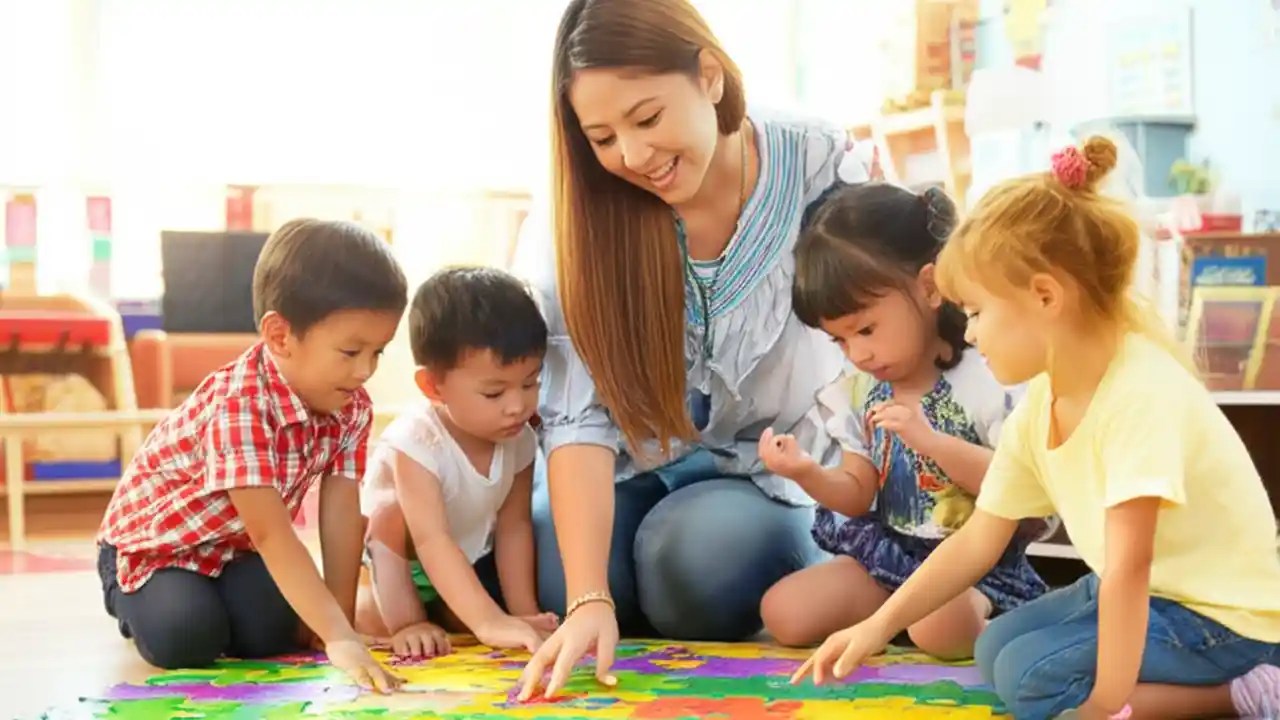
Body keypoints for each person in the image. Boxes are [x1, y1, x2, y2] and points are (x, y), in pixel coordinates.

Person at [792, 137, 1280, 720]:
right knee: (997, 648)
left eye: (976, 312)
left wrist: (1102, 705)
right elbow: (978, 539)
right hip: (1152, 594)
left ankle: (1245, 691)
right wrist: (876, 627)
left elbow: (1130, 567)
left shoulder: (1140, 395)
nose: (969, 334)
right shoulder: (1045, 397)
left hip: (1223, 616)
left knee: (1033, 681)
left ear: (1045, 296)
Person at [514, 0, 875, 701]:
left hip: (768, 471)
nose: (632, 156)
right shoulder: (581, 213)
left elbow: (888, 318)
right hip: (629, 461)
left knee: (686, 560)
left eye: (646, 119)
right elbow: (577, 415)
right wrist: (589, 597)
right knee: (566, 578)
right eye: (603, 136)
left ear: (709, 75)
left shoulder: (818, 161)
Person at [96, 219, 407, 693]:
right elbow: (272, 532)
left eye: (378, 353)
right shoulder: (238, 406)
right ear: (280, 336)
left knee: (273, 632)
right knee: (187, 638)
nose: (365, 371)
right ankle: (127, 601)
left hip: (234, 548)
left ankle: (216, 601)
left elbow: (343, 512)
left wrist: (340, 628)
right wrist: (337, 635)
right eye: (350, 351)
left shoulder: (350, 404)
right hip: (154, 550)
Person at [757, 182, 1048, 659]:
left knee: (937, 627)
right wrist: (806, 472)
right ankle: (896, 619)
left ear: (930, 288)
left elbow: (1021, 491)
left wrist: (931, 442)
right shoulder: (857, 390)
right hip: (892, 557)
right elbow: (858, 493)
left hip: (977, 566)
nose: (859, 353)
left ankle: (996, 624)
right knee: (783, 613)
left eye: (867, 329)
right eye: (841, 341)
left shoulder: (986, 374)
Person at [354, 267, 558, 658]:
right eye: (494, 392)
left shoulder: (518, 438)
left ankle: (447, 615)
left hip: (458, 565)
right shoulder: (415, 443)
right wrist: (484, 621)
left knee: (476, 625)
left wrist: (521, 613)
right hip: (388, 570)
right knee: (371, 614)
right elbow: (431, 539)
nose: (517, 406)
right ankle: (407, 620)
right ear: (433, 387)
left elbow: (513, 528)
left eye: (530, 383)